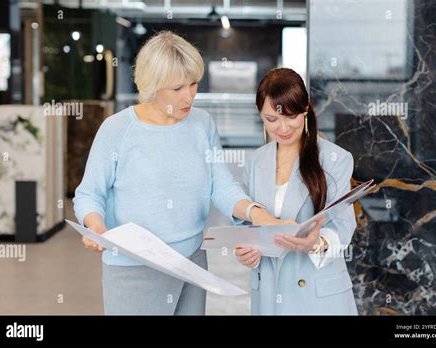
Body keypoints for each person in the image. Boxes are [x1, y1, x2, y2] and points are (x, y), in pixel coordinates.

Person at [73, 31, 286, 315]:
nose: (189, 96)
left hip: (192, 262)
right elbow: (89, 194)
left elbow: (221, 187)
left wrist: (260, 216)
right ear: (152, 86)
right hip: (135, 268)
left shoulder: (202, 124)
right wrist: (95, 227)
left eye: (194, 83)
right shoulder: (117, 129)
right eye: (177, 88)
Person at [235, 68, 358, 315]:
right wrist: (247, 251)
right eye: (271, 119)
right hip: (269, 291)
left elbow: (343, 227)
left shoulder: (335, 159)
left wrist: (316, 243)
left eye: (291, 117)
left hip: (316, 294)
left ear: (306, 110)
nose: (282, 128)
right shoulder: (255, 161)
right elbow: (247, 223)